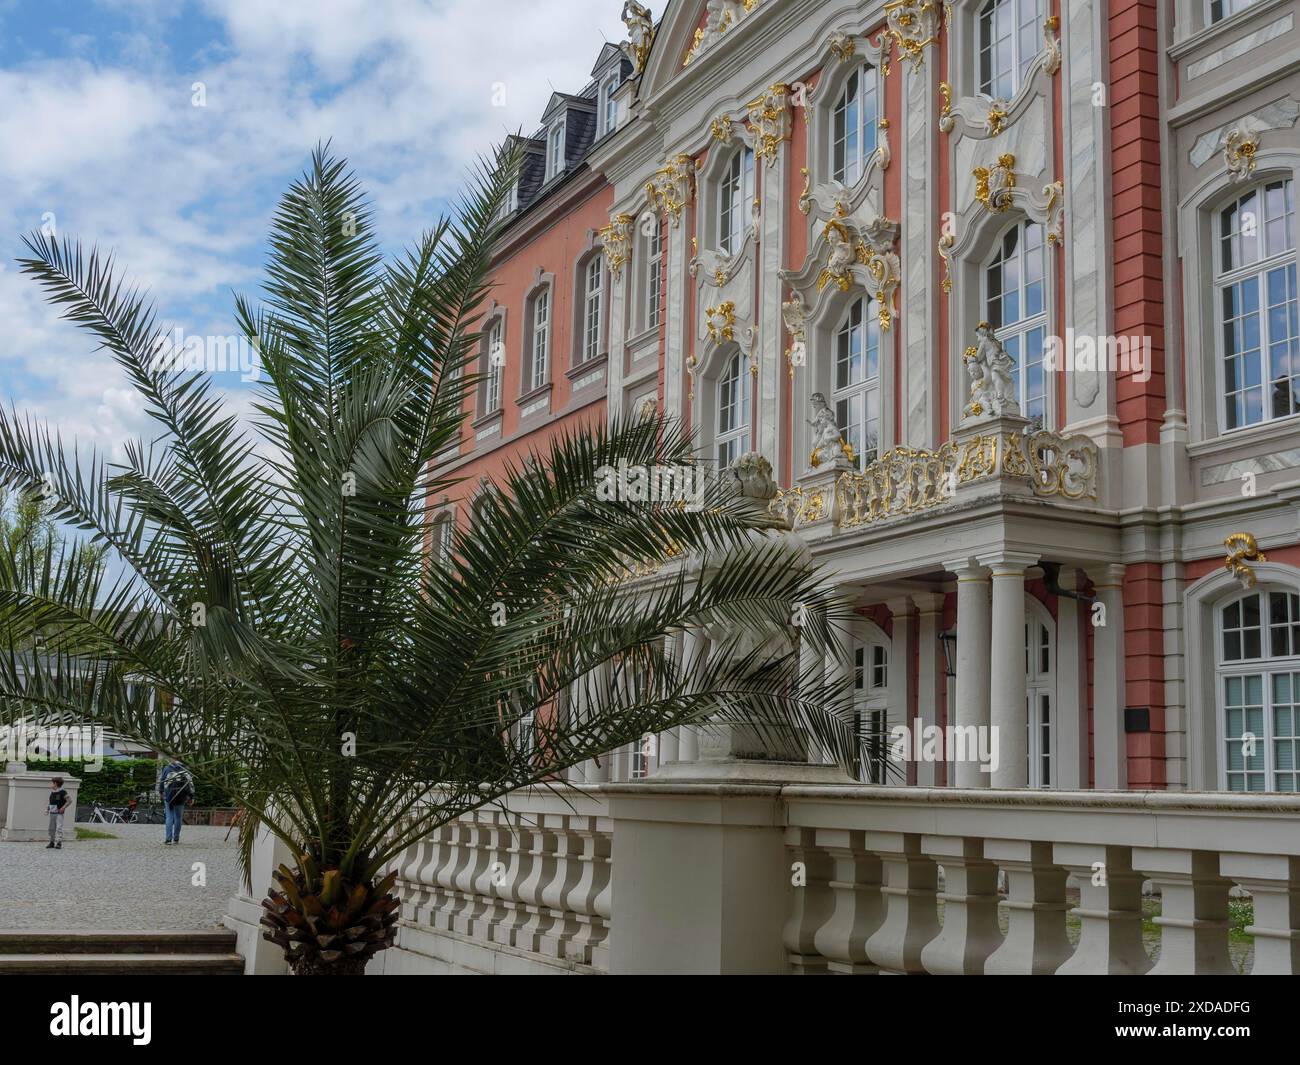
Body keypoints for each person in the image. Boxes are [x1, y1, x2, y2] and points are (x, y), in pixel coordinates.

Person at [158, 757, 195, 846]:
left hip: (169, 796)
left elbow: (162, 781)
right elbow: (190, 784)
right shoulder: (185, 769)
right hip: (181, 797)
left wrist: (161, 792)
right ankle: (176, 838)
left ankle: (168, 839)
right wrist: (191, 797)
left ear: (172, 759)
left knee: (169, 817)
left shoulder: (167, 768)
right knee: (178, 818)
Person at [46, 777, 69, 849]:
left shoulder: (63, 792)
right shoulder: (52, 792)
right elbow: (51, 802)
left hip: (59, 813)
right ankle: (52, 842)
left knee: (59, 827)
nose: (51, 784)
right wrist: (47, 809)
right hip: (52, 812)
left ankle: (59, 842)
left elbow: (69, 800)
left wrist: (63, 807)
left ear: (55, 783)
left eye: (52, 783)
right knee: (51, 828)